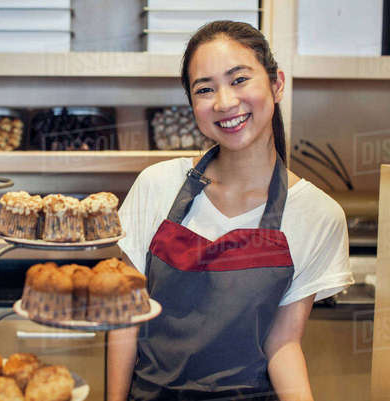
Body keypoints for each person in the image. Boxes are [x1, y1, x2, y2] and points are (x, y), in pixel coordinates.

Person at [110, 21, 354, 401]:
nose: (224, 102)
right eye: (205, 89)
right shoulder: (157, 185)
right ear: (193, 105)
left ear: (276, 84)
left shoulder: (317, 214)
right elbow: (124, 317)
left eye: (239, 79)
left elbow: (283, 343)